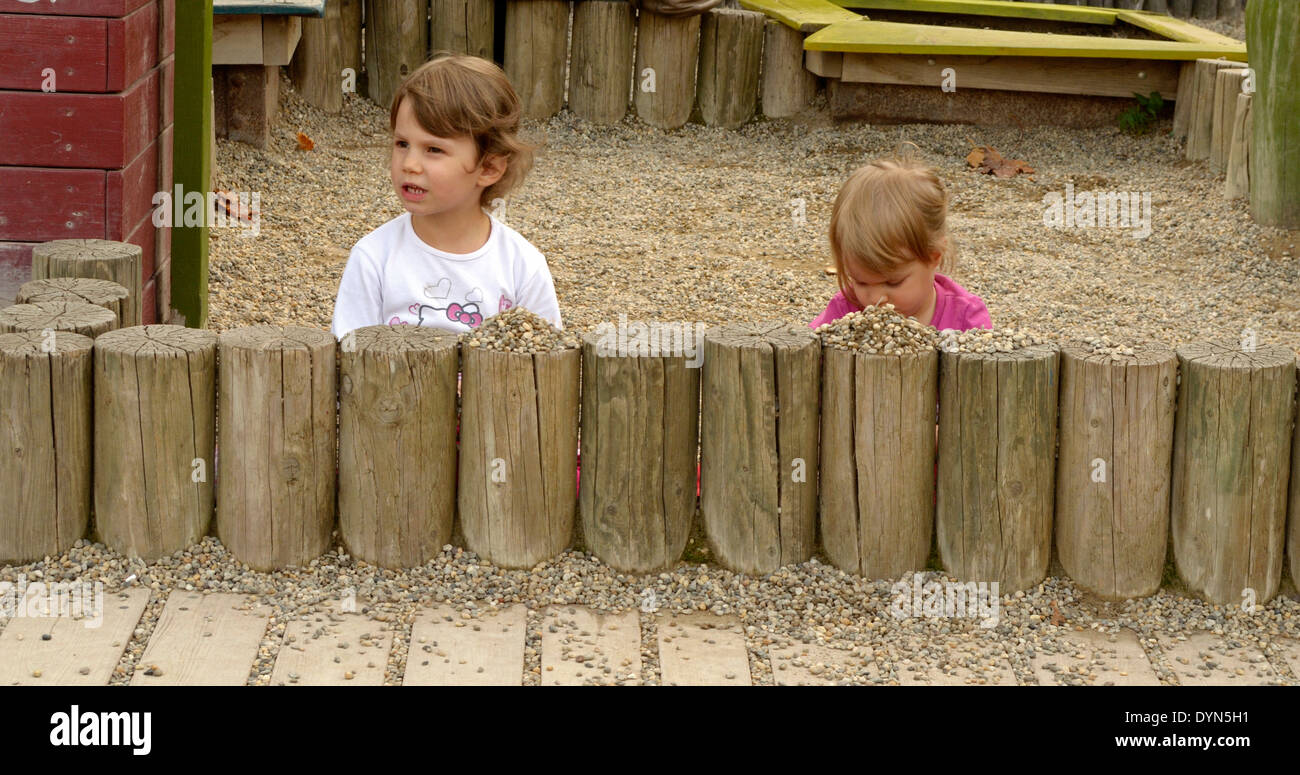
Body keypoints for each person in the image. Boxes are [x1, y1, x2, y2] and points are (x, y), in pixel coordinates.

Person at [331, 54, 561, 340]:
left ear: (488, 168)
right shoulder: (374, 259)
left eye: (433, 150)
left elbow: (545, 363)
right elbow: (351, 362)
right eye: (402, 143)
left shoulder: (522, 266)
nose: (409, 164)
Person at [810, 154, 991, 332]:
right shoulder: (842, 313)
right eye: (860, 282)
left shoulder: (966, 320)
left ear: (933, 257)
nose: (875, 299)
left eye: (893, 282)